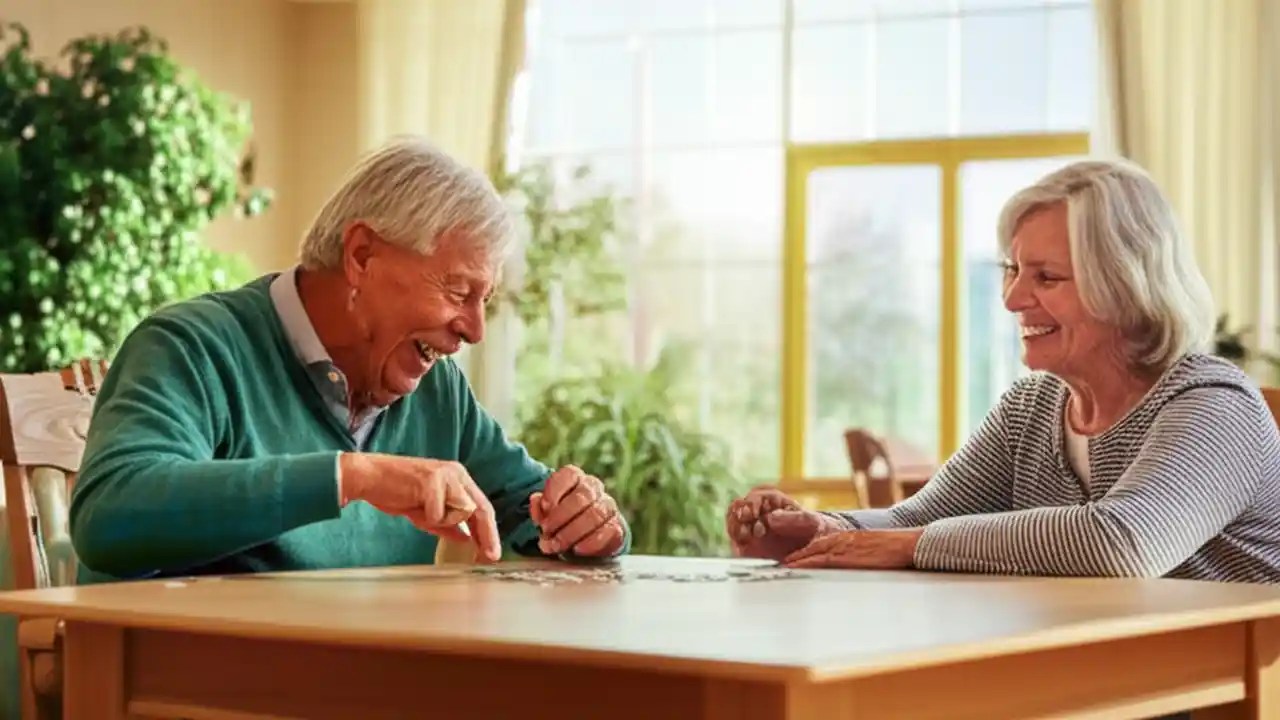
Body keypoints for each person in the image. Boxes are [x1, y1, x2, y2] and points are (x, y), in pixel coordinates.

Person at [68, 136, 629, 582]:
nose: (475, 330)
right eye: (459, 292)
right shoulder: (192, 346)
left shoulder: (437, 391)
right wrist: (352, 477)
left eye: (485, 301)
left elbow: (532, 509)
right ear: (361, 256)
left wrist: (586, 523)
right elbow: (108, 517)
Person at [727, 158, 1280, 583]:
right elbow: (918, 516)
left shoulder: (1215, 402)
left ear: (1127, 286)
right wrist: (822, 532)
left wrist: (912, 545)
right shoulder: (1031, 407)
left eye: (1046, 278)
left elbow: (1124, 542)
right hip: (1104, 679)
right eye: (1012, 270)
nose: (1013, 298)